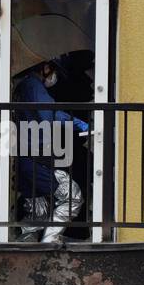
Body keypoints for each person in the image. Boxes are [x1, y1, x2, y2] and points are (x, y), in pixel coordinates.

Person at [11, 61, 88, 243]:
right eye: (54, 71)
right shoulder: (34, 86)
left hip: (26, 158)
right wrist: (80, 124)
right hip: (37, 158)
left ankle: (26, 246)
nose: (55, 77)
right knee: (73, 197)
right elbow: (50, 114)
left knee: (38, 211)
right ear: (45, 68)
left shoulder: (23, 87)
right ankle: (49, 242)